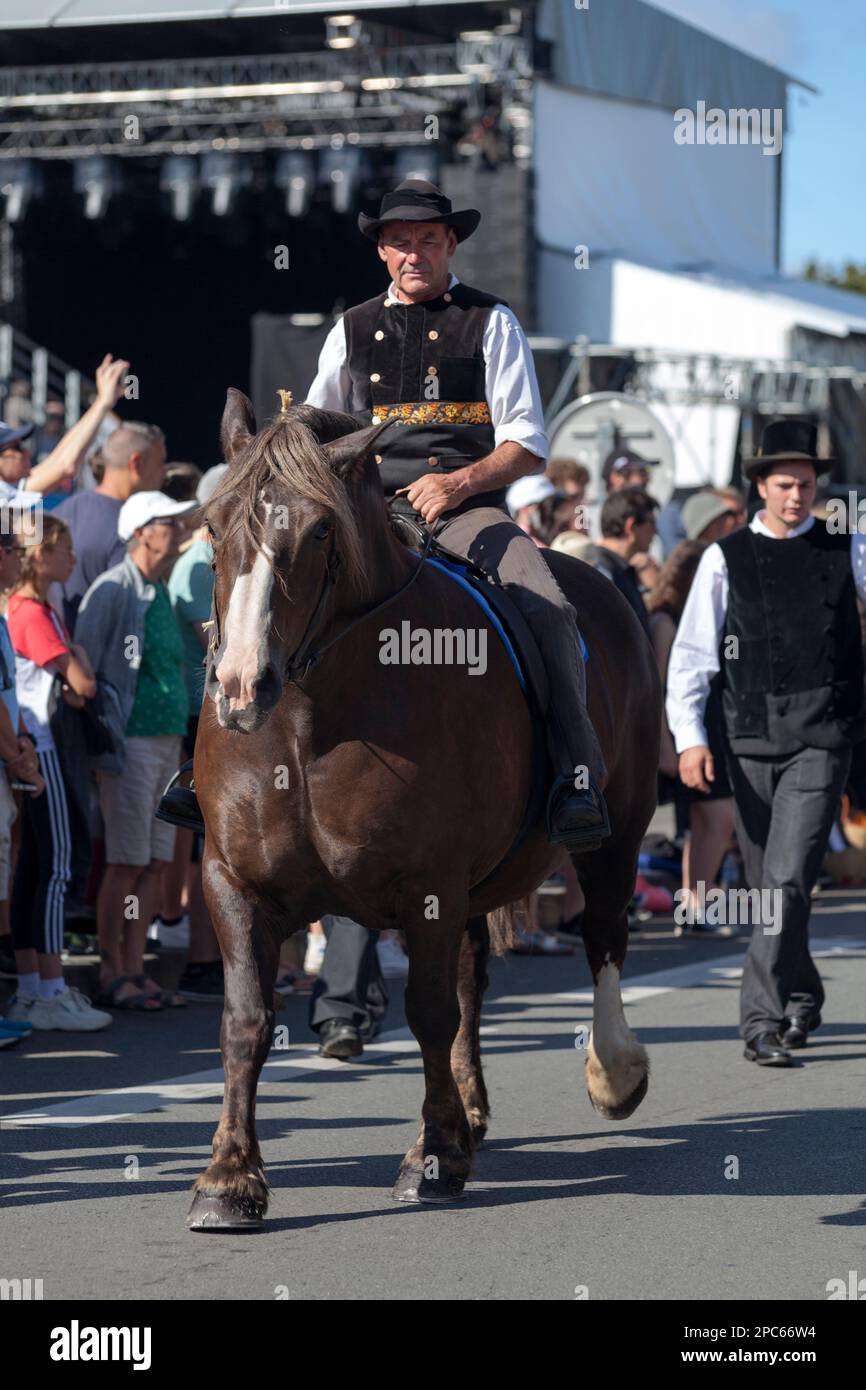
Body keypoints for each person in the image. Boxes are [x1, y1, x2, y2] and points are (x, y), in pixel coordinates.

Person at [306, 177, 608, 848]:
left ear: (451, 245)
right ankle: (218, 760)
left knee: (549, 607)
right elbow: (315, 432)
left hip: (466, 510)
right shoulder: (350, 328)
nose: (415, 254)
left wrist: (457, 483)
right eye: (401, 242)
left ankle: (575, 773)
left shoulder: (491, 320)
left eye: (428, 241)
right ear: (382, 250)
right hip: (369, 514)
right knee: (270, 588)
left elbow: (527, 442)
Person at [666, 418, 866, 1066]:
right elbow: (693, 657)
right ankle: (802, 993)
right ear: (759, 485)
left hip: (823, 736)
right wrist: (690, 737)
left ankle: (761, 1021)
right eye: (785, 484)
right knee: (769, 887)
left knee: (783, 882)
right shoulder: (724, 558)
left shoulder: (847, 548)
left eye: (806, 484)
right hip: (747, 738)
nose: (797, 497)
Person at [75, 490, 197, 1012]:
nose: (176, 527)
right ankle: (112, 969)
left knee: (151, 863)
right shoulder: (111, 590)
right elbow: (88, 669)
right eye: (166, 521)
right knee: (126, 864)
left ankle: (133, 967)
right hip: (132, 746)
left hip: (165, 744)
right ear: (142, 531)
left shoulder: (158, 589)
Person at [3, 514, 111, 1031]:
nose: (72, 558)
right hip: (39, 746)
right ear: (39, 555)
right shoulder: (29, 612)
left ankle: (33, 987)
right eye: (63, 548)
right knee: (55, 869)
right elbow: (81, 684)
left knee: (36, 869)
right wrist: (81, 661)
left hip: (36, 742)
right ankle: (48, 988)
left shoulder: (37, 609)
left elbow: (75, 685)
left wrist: (77, 671)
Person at [647, 540, 736, 935]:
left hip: (706, 730)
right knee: (718, 820)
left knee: (704, 824)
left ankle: (694, 904)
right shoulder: (665, 622)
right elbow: (664, 687)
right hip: (684, 737)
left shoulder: (686, 616)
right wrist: (668, 746)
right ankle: (697, 904)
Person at [56, 418, 167, 631]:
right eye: (160, 462)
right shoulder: (129, 531)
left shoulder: (63, 510)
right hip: (96, 660)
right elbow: (128, 617)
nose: (164, 472)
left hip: (63, 656)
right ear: (135, 464)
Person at [0, 355, 129, 509]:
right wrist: (102, 403)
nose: (26, 453)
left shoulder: (8, 490)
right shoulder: (4, 496)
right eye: (16, 448)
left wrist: (102, 402)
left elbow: (57, 460)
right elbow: (65, 465)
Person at [592, 488, 658, 638]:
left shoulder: (620, 569)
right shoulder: (602, 571)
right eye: (652, 522)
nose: (656, 531)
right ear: (631, 527)